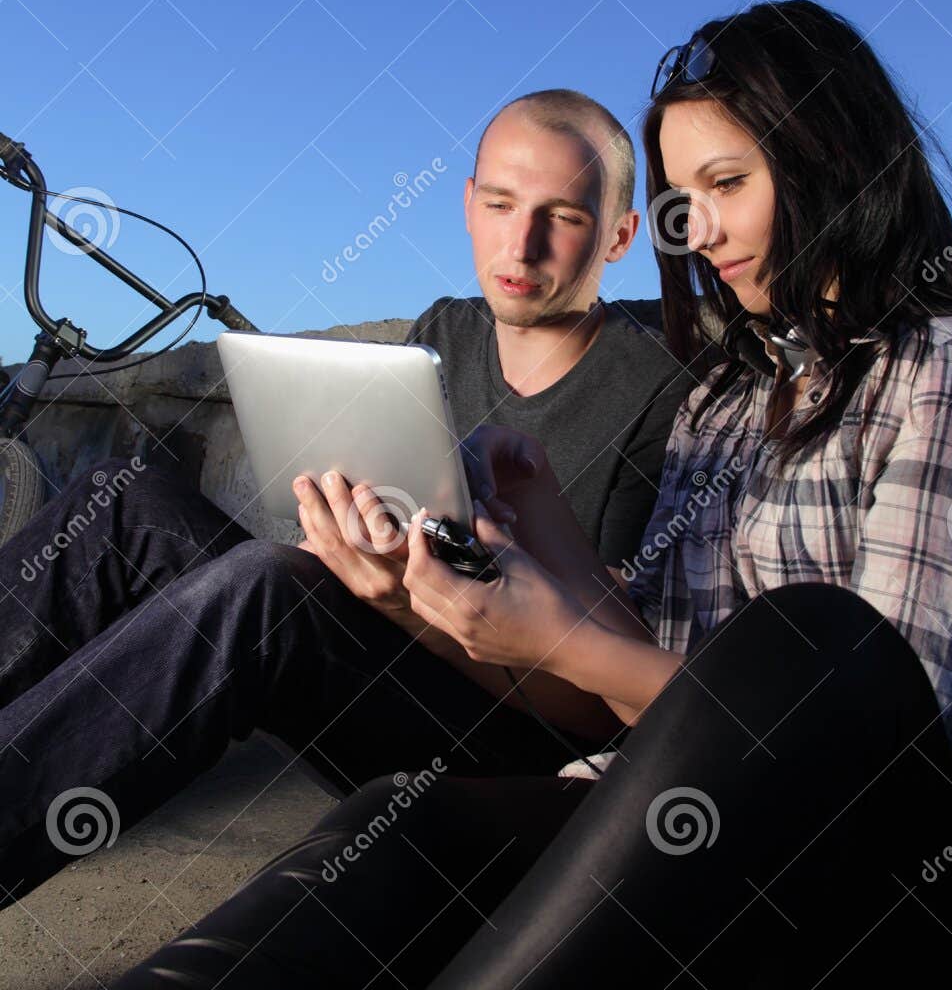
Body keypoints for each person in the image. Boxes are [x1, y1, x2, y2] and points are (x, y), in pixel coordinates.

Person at [1, 0, 952, 990]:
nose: (698, 228)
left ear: (833, 164)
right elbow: (642, 699)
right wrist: (536, 543)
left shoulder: (941, 376)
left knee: (808, 648)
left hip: (885, 940)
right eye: (681, 199)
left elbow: (866, 748)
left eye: (728, 183)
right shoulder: (722, 405)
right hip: (668, 856)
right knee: (411, 823)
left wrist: (551, 634)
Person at [0, 89, 692, 901]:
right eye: (501, 204)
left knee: (262, 586)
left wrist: (405, 606)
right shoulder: (446, 334)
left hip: (522, 750)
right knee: (128, 501)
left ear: (618, 236)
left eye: (563, 217)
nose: (522, 242)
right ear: (468, 206)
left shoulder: (658, 391)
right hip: (383, 651)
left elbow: (601, 706)